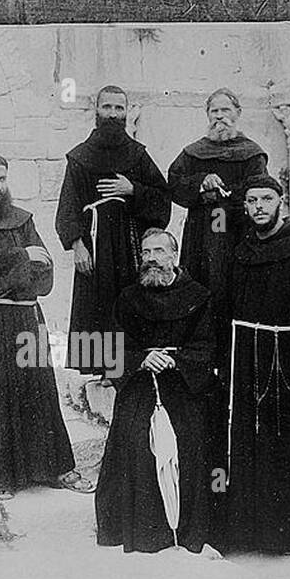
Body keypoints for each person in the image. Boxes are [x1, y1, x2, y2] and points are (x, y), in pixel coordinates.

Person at [0, 149, 91, 499]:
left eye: (1, 179)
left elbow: (45, 267)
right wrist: (19, 258)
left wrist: (13, 271)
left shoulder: (22, 220)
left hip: (25, 315)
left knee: (39, 390)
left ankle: (53, 467)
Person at [216, 175, 290, 555]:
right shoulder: (239, 249)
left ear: (280, 201)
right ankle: (249, 533)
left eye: (266, 199)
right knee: (249, 442)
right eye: (251, 201)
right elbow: (224, 308)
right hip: (246, 360)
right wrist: (223, 362)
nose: (258, 207)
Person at [96, 229, 216, 554]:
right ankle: (146, 532)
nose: (151, 259)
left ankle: (187, 530)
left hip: (182, 387)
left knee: (189, 442)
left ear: (174, 256)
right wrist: (140, 359)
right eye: (146, 252)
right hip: (139, 387)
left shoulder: (199, 296)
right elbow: (113, 344)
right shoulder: (128, 298)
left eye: (159, 252)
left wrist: (176, 361)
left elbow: (206, 344)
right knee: (136, 441)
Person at [55, 85, 172, 375]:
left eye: (119, 108)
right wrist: (77, 245)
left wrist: (133, 189)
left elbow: (162, 198)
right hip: (95, 244)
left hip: (130, 241)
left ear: (126, 113)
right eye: (107, 107)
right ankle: (104, 371)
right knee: (98, 303)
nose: (113, 114)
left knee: (131, 300)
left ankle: (132, 364)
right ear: (96, 110)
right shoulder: (80, 157)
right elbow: (68, 206)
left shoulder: (138, 155)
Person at [166, 87, 269, 353]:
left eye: (225, 110)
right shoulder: (193, 152)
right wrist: (201, 182)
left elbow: (258, 189)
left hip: (236, 230)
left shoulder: (251, 153)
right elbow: (174, 183)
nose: (219, 117)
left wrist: (223, 196)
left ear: (238, 113)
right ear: (207, 115)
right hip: (201, 233)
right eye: (214, 111)